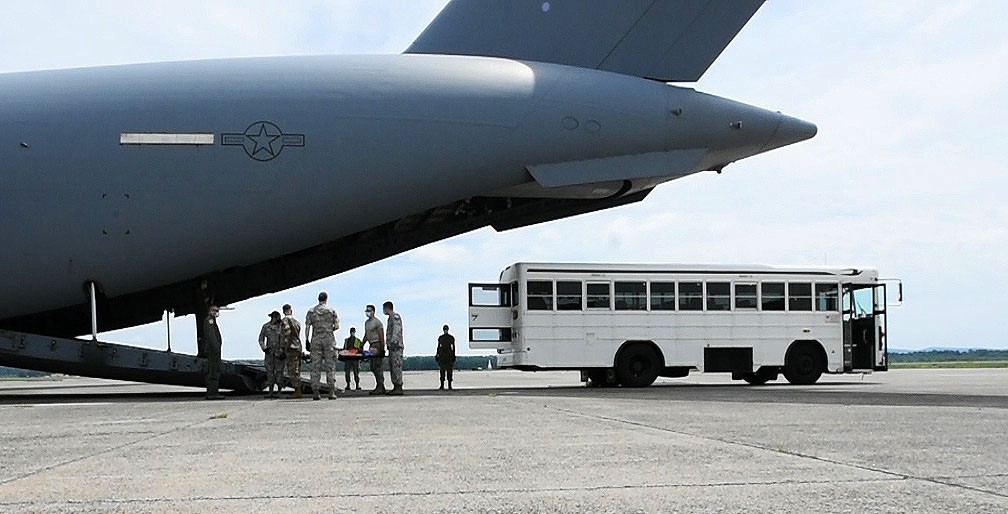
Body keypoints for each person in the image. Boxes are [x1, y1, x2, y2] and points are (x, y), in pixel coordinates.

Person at [305, 291, 340, 400]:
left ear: (318, 299)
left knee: (315, 366)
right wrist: (329, 329)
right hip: (328, 339)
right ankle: (331, 391)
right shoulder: (331, 310)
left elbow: (307, 327)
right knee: (330, 366)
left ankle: (316, 391)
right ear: (326, 299)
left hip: (316, 339)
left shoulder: (311, 311)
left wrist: (306, 340)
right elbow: (337, 326)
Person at [258, 311, 284, 398]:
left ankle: (279, 391)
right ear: (274, 317)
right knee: (269, 373)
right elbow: (260, 339)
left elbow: (285, 339)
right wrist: (264, 348)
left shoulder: (282, 327)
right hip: (269, 353)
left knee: (279, 373)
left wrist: (283, 351)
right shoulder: (266, 327)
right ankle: (271, 391)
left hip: (279, 353)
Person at [361, 304, 386, 395]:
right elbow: (366, 335)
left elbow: (381, 335)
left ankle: (380, 386)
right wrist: (362, 344)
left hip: (377, 344)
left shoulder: (377, 322)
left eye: (369, 310)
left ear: (373, 311)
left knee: (377, 366)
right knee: (373, 367)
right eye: (366, 311)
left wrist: (382, 348)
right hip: (371, 345)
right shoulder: (367, 323)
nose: (368, 312)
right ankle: (380, 386)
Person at [280, 304, 303, 399]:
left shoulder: (285, 320)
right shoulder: (296, 322)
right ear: (291, 310)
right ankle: (298, 390)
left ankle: (297, 391)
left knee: (292, 370)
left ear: (284, 311)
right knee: (297, 369)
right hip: (297, 347)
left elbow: (286, 334)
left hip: (291, 348)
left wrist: (283, 348)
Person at [202, 305, 224, 400]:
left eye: (217, 311)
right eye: (214, 310)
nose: (216, 312)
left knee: (215, 370)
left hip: (214, 350)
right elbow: (211, 337)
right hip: (213, 351)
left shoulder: (212, 321)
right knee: (213, 371)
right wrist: (216, 348)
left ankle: (214, 392)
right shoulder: (209, 321)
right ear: (210, 311)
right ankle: (212, 393)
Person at [383, 301, 404, 396]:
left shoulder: (395, 317)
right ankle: (395, 385)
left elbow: (396, 331)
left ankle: (398, 386)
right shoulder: (390, 319)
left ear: (387, 308)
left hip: (396, 347)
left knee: (396, 366)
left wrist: (393, 342)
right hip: (392, 347)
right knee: (392, 367)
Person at [436, 324, 456, 391]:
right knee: (445, 371)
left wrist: (437, 355)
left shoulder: (442, 338)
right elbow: (438, 347)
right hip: (446, 356)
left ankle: (447, 385)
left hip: (445, 356)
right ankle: (445, 385)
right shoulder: (450, 338)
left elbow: (438, 347)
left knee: (445, 371)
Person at [343, 327, 363, 391]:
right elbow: (344, 349)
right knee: (347, 373)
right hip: (348, 358)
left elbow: (361, 349)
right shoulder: (346, 341)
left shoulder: (358, 340)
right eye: (351, 331)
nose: (352, 333)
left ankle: (357, 385)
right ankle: (348, 385)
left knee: (356, 372)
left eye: (353, 331)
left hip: (355, 359)